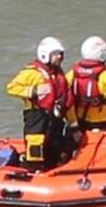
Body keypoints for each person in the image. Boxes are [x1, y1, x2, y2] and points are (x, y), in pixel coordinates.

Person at [6, 36, 73, 171]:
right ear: (45, 55)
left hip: (54, 117)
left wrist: (74, 123)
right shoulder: (32, 73)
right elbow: (11, 87)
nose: (59, 57)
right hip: (36, 116)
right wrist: (33, 91)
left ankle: (51, 169)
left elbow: (67, 100)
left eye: (60, 54)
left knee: (54, 147)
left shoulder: (59, 74)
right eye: (56, 54)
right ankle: (31, 169)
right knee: (36, 146)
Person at [66, 36, 106, 132]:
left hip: (79, 123)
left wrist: (73, 124)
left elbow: (66, 98)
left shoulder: (72, 73)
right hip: (101, 124)